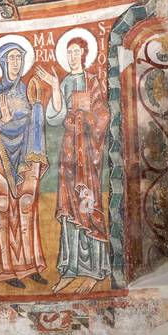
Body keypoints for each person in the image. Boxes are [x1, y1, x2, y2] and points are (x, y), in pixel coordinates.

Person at [37, 37, 109, 293]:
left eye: (76, 51)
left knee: (87, 206)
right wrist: (56, 87)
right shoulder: (67, 81)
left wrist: (86, 113)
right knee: (68, 207)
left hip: (88, 156)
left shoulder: (93, 81)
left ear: (85, 53)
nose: (72, 56)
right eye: (69, 52)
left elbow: (103, 115)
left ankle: (95, 271)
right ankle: (70, 268)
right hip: (68, 151)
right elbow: (55, 119)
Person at [0, 42, 48, 289]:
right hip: (0, 153)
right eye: (11, 59)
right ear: (2, 63)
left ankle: (29, 266)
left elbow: (37, 123)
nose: (16, 63)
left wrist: (38, 105)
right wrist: (0, 120)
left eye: (19, 58)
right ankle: (5, 268)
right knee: (2, 206)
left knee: (27, 206)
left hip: (27, 155)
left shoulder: (27, 93)